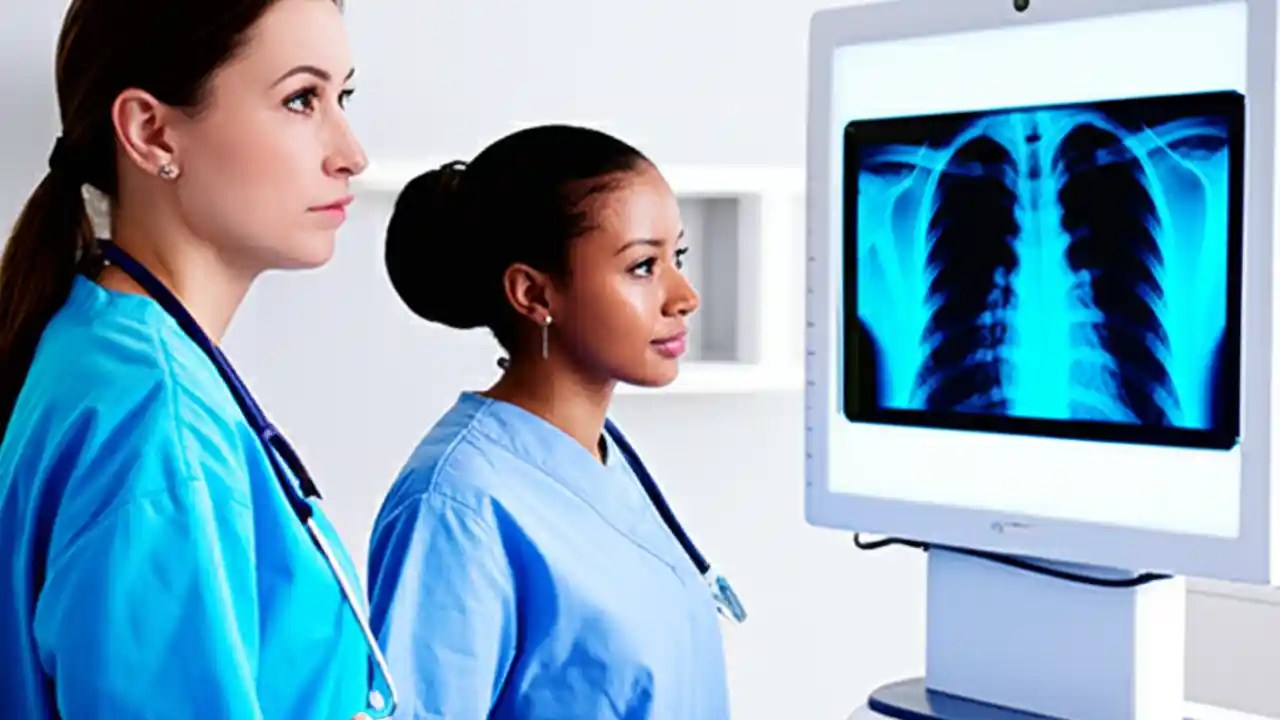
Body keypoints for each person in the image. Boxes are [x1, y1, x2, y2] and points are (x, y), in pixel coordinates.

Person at [0, 1, 391, 718]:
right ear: (151, 133)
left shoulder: (98, 348)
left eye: (344, 96)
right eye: (300, 99)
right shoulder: (160, 425)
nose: (351, 153)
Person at [367, 124, 733, 719]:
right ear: (534, 294)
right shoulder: (457, 506)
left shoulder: (597, 457)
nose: (684, 295)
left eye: (678, 258)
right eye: (643, 266)